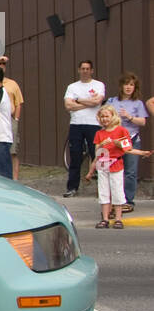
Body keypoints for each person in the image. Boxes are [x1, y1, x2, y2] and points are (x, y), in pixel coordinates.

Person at [84, 104, 151, 228]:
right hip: (103, 165)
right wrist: (91, 171)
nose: (104, 119)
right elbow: (97, 153)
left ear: (113, 116)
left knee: (117, 191)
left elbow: (128, 148)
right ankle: (105, 218)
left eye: (107, 116)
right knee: (104, 192)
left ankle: (118, 218)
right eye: (102, 116)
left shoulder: (121, 131)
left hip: (116, 164)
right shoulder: (99, 133)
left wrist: (141, 152)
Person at [62, 60, 105, 196]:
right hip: (76, 124)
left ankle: (102, 188)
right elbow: (68, 106)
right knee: (75, 155)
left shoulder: (98, 85)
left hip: (94, 124)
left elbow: (97, 102)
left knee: (97, 155)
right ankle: (72, 188)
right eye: (83, 68)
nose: (85, 71)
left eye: (87, 69)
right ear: (79, 70)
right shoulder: (72, 87)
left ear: (92, 70)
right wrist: (88, 103)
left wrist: (78, 100)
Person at [108, 72, 148, 213]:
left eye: (131, 84)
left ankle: (128, 201)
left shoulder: (137, 103)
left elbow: (142, 121)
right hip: (115, 141)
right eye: (126, 84)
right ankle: (114, 201)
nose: (128, 87)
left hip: (131, 139)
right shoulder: (112, 101)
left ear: (135, 87)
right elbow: (104, 116)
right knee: (114, 171)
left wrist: (129, 117)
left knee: (130, 171)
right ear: (121, 86)